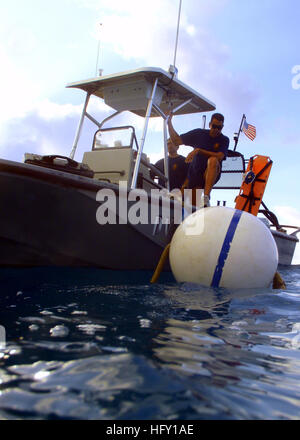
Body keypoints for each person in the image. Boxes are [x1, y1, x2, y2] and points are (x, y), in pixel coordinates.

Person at [167, 112, 229, 207]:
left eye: (219, 128)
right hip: (195, 175)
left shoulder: (224, 139)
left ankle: (206, 197)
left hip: (210, 173)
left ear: (222, 127)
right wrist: (169, 122)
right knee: (192, 209)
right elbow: (176, 140)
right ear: (209, 124)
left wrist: (199, 150)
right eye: (214, 126)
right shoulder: (199, 134)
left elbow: (220, 156)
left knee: (213, 160)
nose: (216, 130)